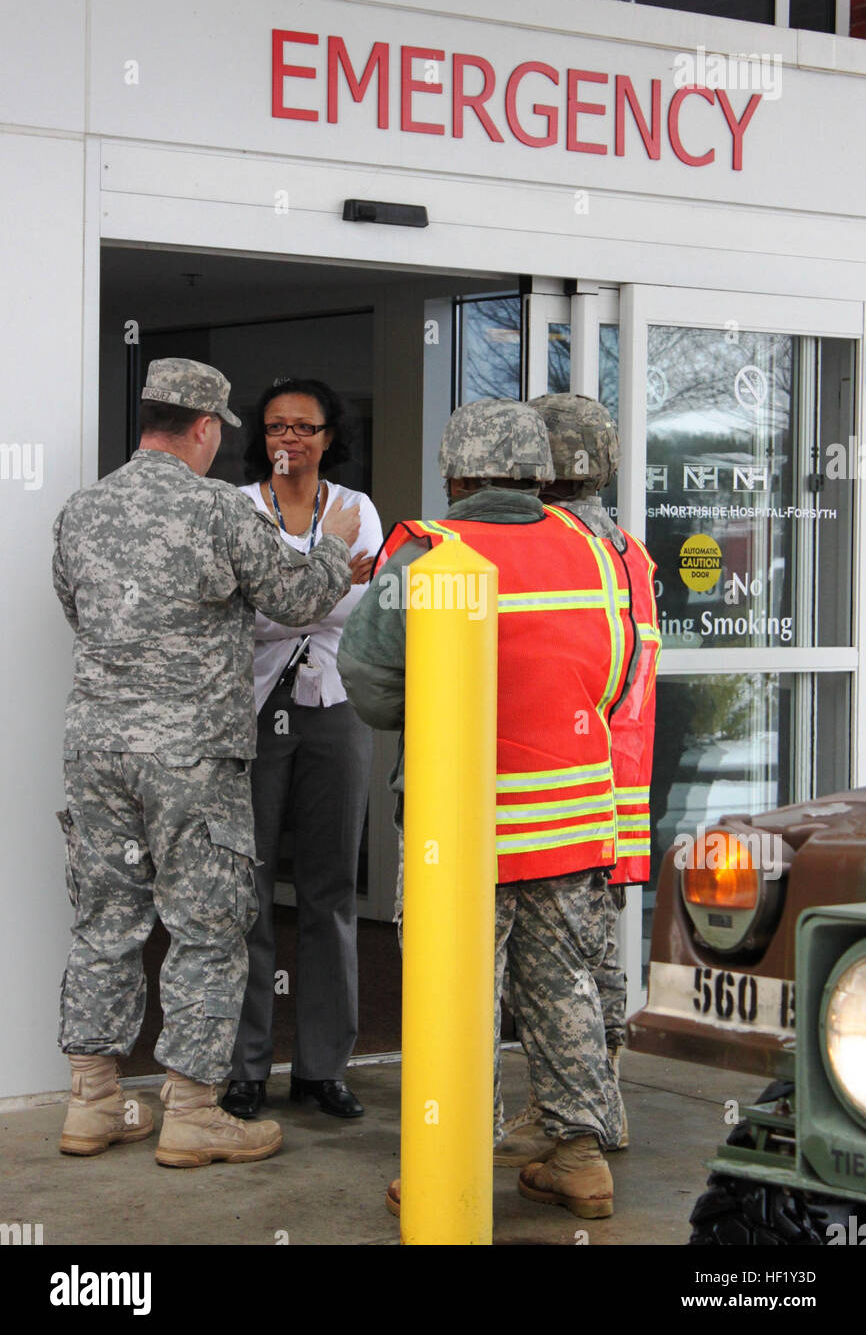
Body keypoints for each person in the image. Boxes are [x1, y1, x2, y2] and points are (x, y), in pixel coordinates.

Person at [52, 357, 359, 1167]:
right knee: (207, 930)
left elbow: (75, 607)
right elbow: (295, 600)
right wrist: (332, 548)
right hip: (193, 757)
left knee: (105, 924)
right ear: (202, 428)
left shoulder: (83, 510)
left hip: (97, 750)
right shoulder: (219, 510)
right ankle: (190, 1112)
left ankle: (92, 1103)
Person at [337, 397, 637, 1219]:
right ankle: (580, 1160)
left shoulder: (434, 551)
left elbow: (366, 681)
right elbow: (620, 672)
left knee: (455, 983)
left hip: (460, 824)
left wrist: (440, 712)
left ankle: (449, 1163)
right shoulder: (596, 550)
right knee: (566, 984)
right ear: (539, 472)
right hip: (574, 815)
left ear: (456, 472)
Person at [493, 393, 661, 1170]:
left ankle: (560, 1114)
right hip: (614, 777)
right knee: (594, 953)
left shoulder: (553, 545)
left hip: (559, 778)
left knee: (551, 963)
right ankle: (604, 1109)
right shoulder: (629, 551)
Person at [221, 377, 382, 1122]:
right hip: (249, 711)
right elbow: (242, 613)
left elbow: (362, 605)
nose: (290, 439)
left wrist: (294, 595)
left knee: (328, 891)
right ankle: (246, 1066)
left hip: (335, 707)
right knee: (247, 892)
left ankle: (321, 1068)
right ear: (261, 437)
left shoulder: (357, 509)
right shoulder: (234, 507)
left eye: (305, 428)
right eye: (277, 427)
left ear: (327, 437)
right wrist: (320, 585)